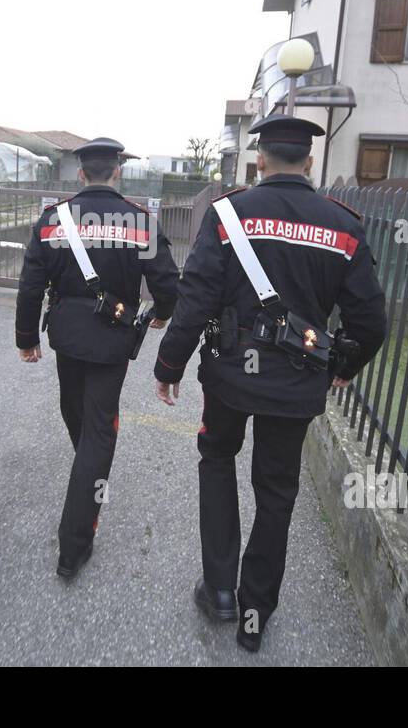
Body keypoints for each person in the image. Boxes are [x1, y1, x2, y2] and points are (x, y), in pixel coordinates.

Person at [152, 114, 386, 652]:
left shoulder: (229, 213)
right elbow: (370, 321)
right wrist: (343, 367)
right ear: (309, 163)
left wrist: (169, 367)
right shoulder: (344, 226)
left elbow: (196, 299)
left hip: (230, 376)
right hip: (297, 382)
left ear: (259, 161)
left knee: (216, 460)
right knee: (276, 489)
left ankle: (219, 590)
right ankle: (255, 614)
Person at [16, 137, 179, 578]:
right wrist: (161, 313)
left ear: (81, 174)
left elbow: (31, 283)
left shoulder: (54, 220)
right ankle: (77, 531)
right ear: (118, 173)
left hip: (67, 337)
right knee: (97, 429)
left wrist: (26, 337)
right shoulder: (139, 223)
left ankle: (74, 541)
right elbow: (167, 282)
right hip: (111, 339)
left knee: (78, 414)